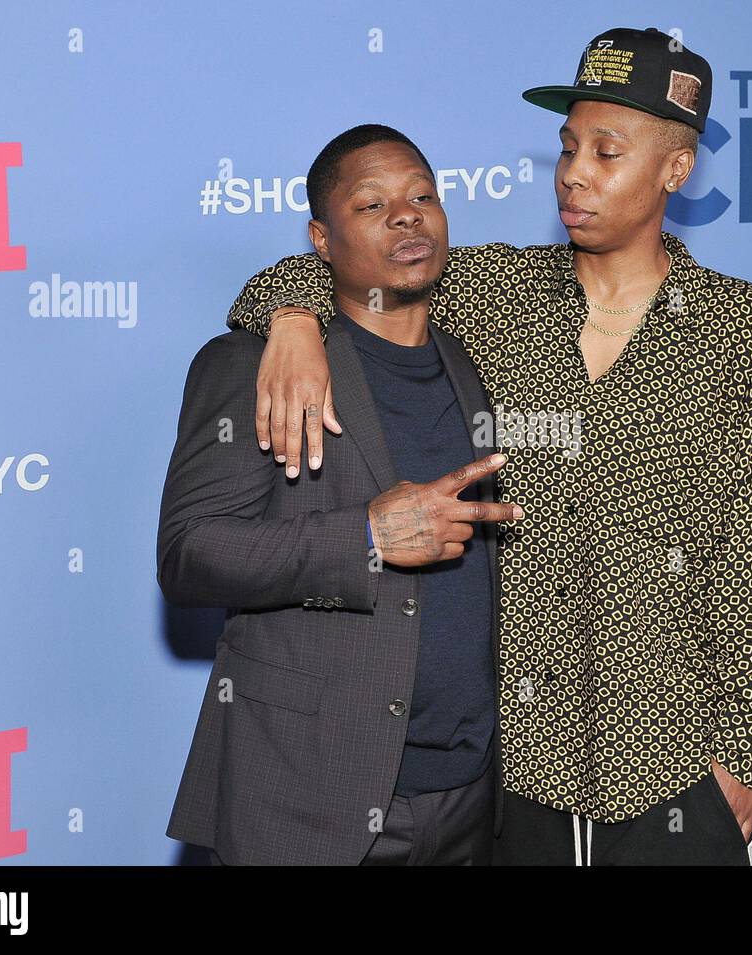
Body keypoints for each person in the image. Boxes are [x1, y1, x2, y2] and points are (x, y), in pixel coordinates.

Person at [225, 27, 752, 865]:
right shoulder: (495, 291)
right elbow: (348, 264)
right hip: (514, 775)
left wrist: (744, 762)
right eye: (569, 146)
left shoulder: (738, 326)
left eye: (607, 152)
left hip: (677, 776)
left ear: (674, 172)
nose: (574, 171)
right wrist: (288, 317)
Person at [158, 124, 520, 865]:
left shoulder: (475, 354)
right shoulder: (254, 364)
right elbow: (189, 554)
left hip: (472, 795)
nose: (407, 214)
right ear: (320, 241)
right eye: (372, 203)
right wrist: (364, 537)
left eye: (423, 195)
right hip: (312, 799)